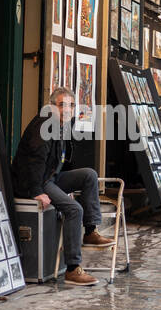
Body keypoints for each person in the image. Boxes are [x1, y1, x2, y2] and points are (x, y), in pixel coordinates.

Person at [11, 88, 112, 287]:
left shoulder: (62, 125)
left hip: (51, 178)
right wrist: (36, 191)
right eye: (62, 105)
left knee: (89, 175)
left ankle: (91, 231)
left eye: (71, 105)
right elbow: (35, 161)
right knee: (74, 209)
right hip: (37, 182)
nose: (67, 109)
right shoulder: (45, 123)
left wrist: (66, 189)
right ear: (52, 106)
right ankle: (73, 269)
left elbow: (62, 160)